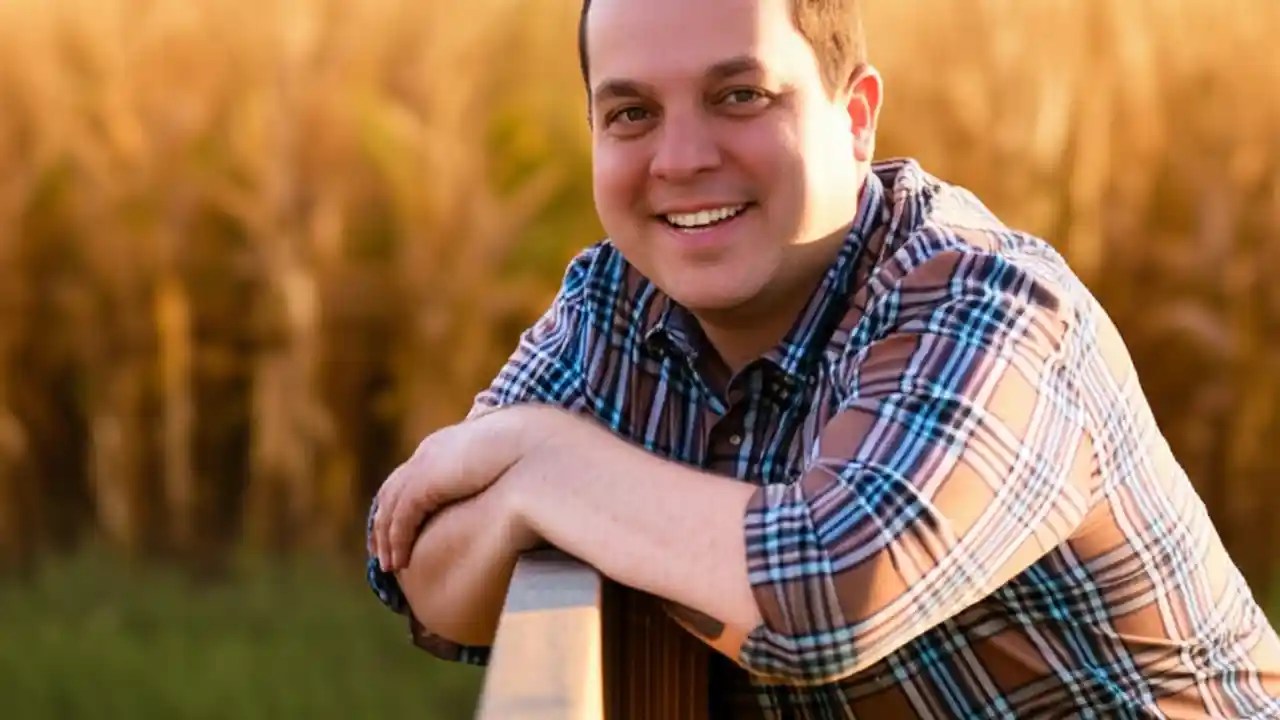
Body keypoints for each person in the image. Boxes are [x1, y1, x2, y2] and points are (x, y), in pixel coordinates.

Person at [365, 0, 1280, 716]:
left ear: (856, 118)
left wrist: (543, 464)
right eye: (632, 112)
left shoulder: (986, 305)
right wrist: (527, 474)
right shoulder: (616, 304)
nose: (680, 159)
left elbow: (831, 595)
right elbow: (422, 568)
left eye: (740, 96)